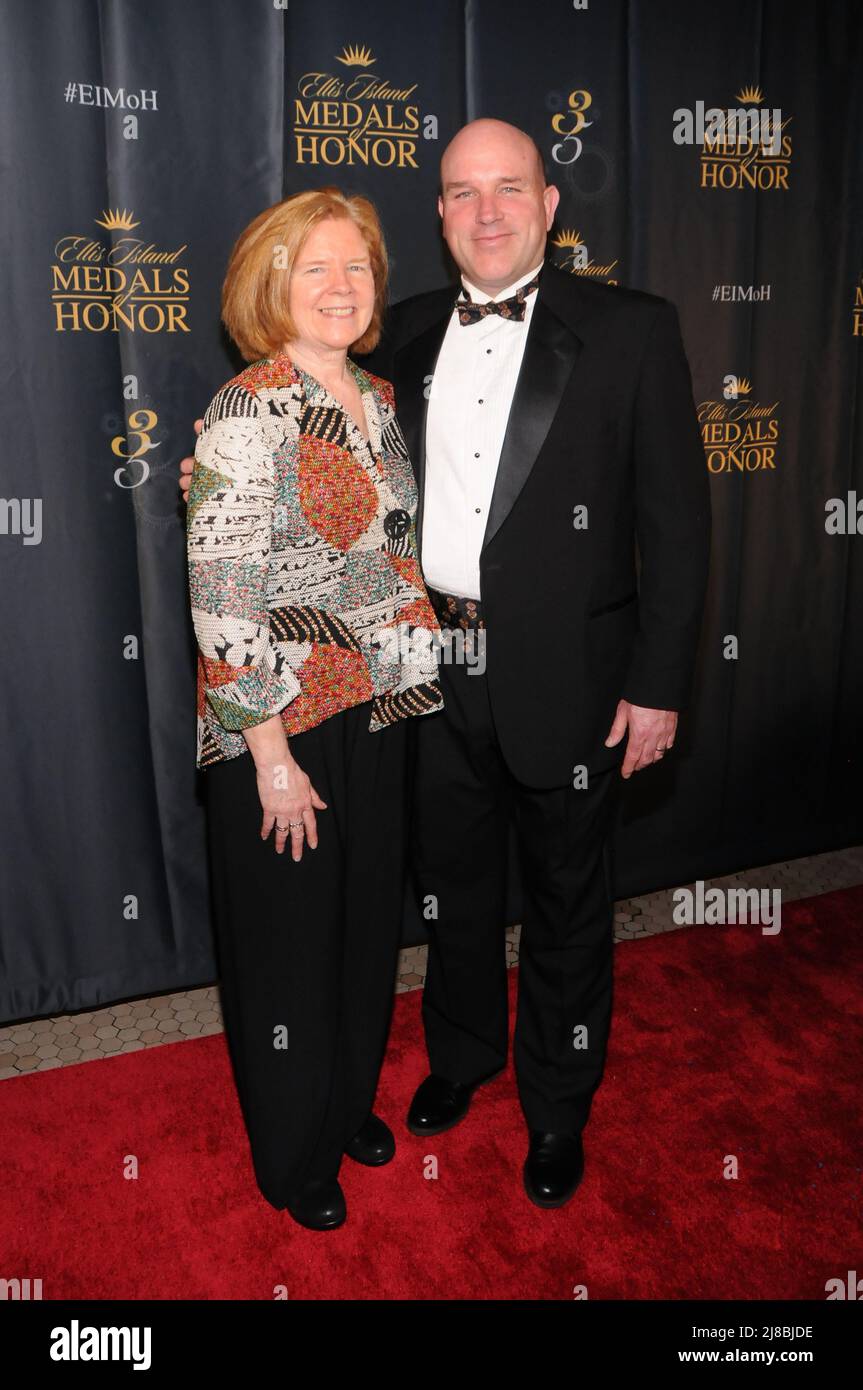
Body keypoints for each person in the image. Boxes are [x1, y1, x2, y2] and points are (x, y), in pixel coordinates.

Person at [181, 119, 711, 1211]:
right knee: (452, 890)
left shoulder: (632, 333)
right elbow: (282, 447)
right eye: (461, 192)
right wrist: (215, 466)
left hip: (569, 673)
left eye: (507, 189)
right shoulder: (403, 335)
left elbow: (679, 523)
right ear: (437, 214)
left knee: (567, 899)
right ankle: (460, 1058)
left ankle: (558, 1107)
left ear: (548, 205)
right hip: (417, 675)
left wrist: (656, 682)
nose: (484, 212)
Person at [186, 186, 443, 1230]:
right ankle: (291, 1154)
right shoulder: (247, 408)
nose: (340, 287)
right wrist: (269, 755)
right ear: (271, 285)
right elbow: (220, 593)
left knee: (357, 931)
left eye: (357, 267)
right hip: (280, 724)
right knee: (289, 946)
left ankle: (342, 1106)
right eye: (314, 269)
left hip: (380, 703)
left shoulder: (377, 397)